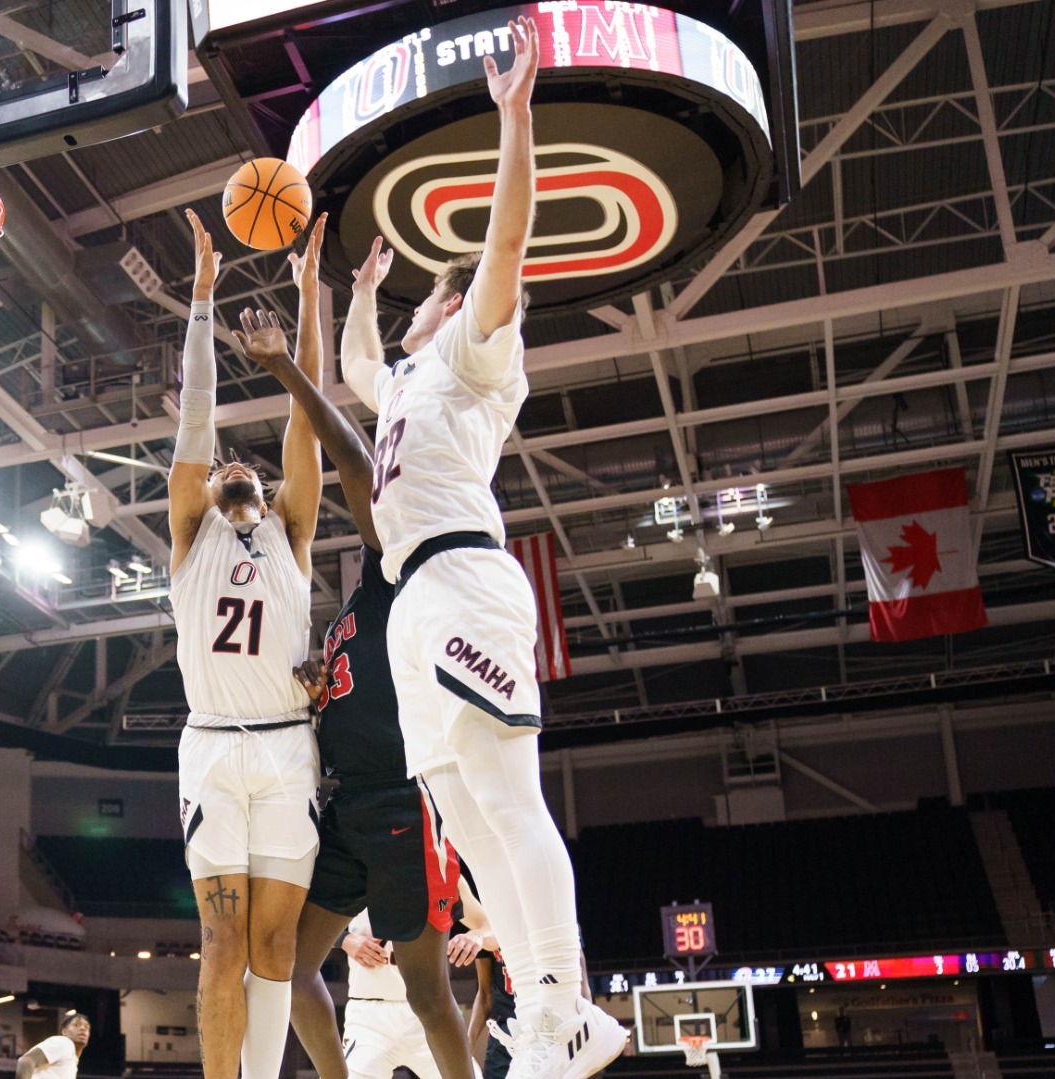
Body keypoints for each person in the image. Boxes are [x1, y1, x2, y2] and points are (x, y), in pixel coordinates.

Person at [336, 17, 622, 1079]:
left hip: (463, 573)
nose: (414, 307)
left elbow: (503, 248)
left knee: (504, 795)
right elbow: (357, 370)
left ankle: (563, 1004)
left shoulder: (471, 349)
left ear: (452, 306)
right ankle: (546, 1010)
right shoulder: (407, 380)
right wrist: (358, 295)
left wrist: (515, 122)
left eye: (423, 294)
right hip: (413, 597)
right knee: (459, 808)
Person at [230, 305, 473, 1079]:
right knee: (282, 965)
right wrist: (319, 695)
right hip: (343, 805)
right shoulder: (360, 605)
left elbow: (350, 455)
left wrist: (284, 368)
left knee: (426, 991)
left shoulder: (404, 566)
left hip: (405, 798)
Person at [169, 206, 327, 1079]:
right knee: (221, 941)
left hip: (285, 748)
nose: (230, 462)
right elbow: (196, 417)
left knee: (276, 946)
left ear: (263, 492)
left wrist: (308, 297)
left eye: (246, 466)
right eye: (220, 465)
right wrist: (201, 297)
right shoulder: (190, 533)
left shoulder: (289, 532)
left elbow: (307, 419)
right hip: (211, 749)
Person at [14, 1013, 88, 1079]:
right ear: (64, 1031)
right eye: (76, 1025)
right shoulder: (64, 1042)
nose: (83, 1028)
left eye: (87, 1027)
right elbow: (26, 1061)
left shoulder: (72, 1060)